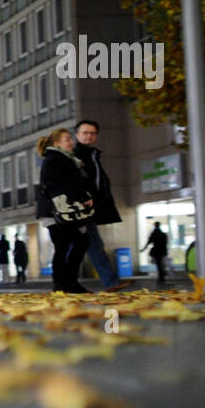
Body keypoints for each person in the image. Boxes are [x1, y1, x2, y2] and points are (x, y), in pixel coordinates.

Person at [72, 119, 133, 291]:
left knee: (91, 245)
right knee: (89, 245)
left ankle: (110, 282)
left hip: (87, 208)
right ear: (77, 135)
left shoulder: (92, 155)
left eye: (92, 133)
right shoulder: (77, 155)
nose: (89, 136)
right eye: (85, 133)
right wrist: (84, 198)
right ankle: (109, 282)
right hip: (80, 209)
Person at [36, 127, 95, 293]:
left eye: (71, 139)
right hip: (56, 212)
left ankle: (65, 284)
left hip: (63, 211)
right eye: (67, 139)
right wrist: (82, 197)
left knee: (69, 245)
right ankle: (65, 284)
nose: (71, 142)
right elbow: (60, 184)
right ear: (57, 143)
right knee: (72, 244)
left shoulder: (65, 159)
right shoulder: (55, 159)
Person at [143, 221, 169, 285]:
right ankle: (162, 277)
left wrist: (143, 249)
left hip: (157, 251)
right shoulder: (163, 234)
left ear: (155, 226)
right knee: (161, 264)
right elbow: (165, 243)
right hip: (162, 251)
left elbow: (148, 242)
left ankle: (161, 278)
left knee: (159, 265)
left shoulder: (154, 234)